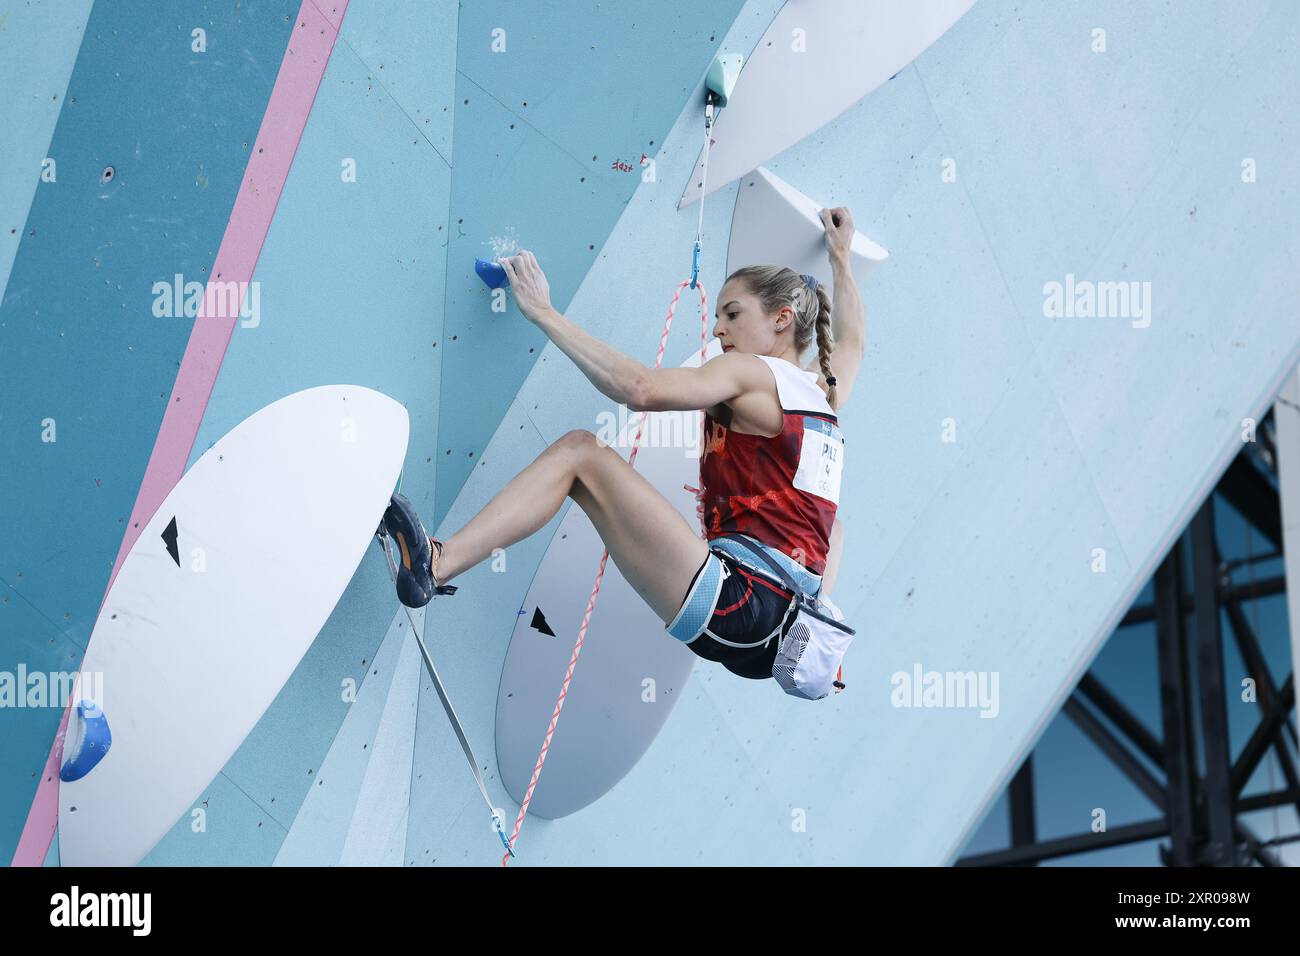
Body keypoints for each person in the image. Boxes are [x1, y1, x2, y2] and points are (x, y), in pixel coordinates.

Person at [384, 207, 866, 682]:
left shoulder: (752, 372)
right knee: (833, 527)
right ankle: (436, 564)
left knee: (580, 453)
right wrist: (840, 259)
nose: (718, 330)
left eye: (733, 314)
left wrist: (545, 313)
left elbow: (638, 388)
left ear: (782, 319)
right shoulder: (826, 390)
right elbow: (853, 343)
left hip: (739, 598)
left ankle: (437, 562)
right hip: (775, 641)